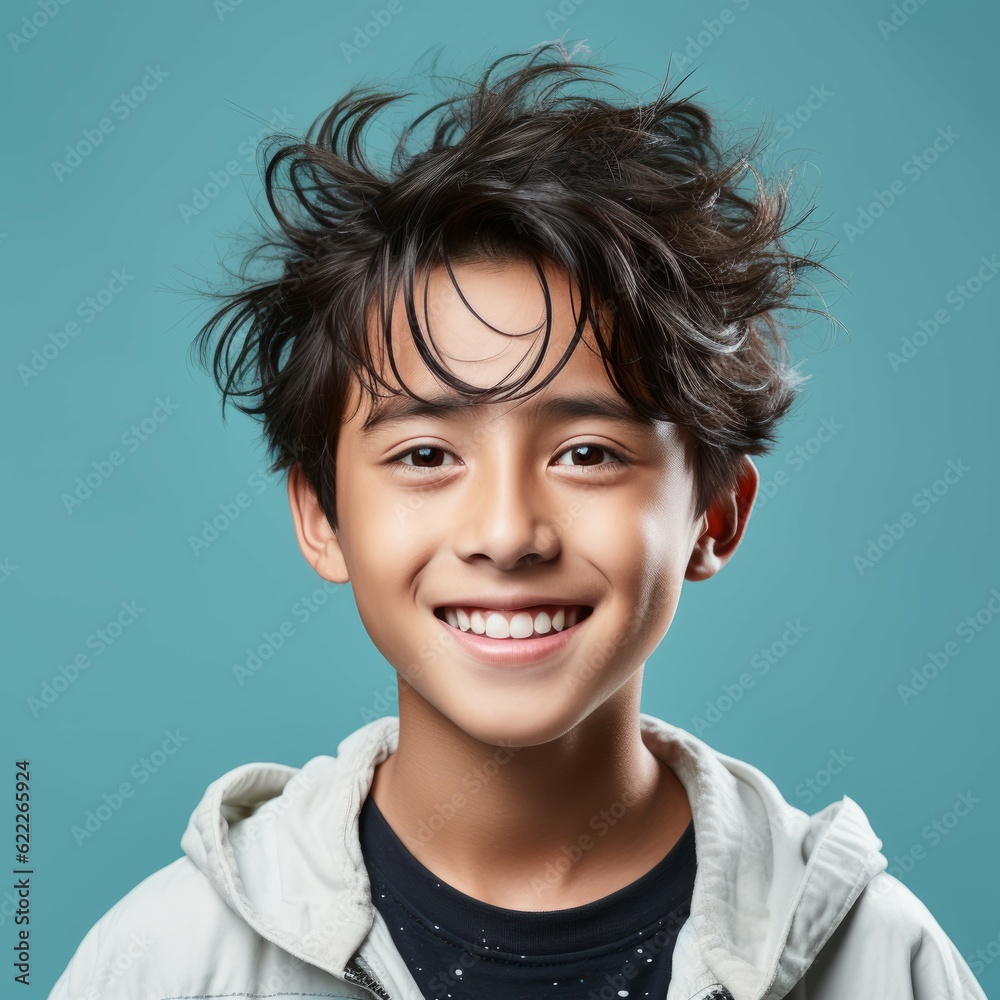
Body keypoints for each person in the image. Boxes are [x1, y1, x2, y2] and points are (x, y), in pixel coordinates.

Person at [49, 44, 987, 1000]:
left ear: (716, 513)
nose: (506, 533)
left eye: (587, 454)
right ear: (320, 514)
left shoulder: (878, 960)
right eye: (425, 456)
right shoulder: (164, 963)